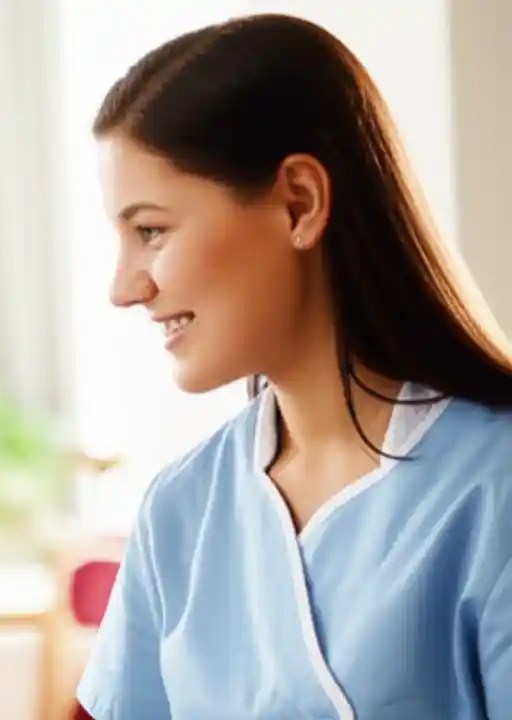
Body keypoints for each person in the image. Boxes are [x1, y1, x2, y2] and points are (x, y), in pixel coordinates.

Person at [76, 13, 512, 720]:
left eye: (151, 230)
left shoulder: (495, 486)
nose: (125, 286)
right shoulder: (182, 511)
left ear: (299, 204)